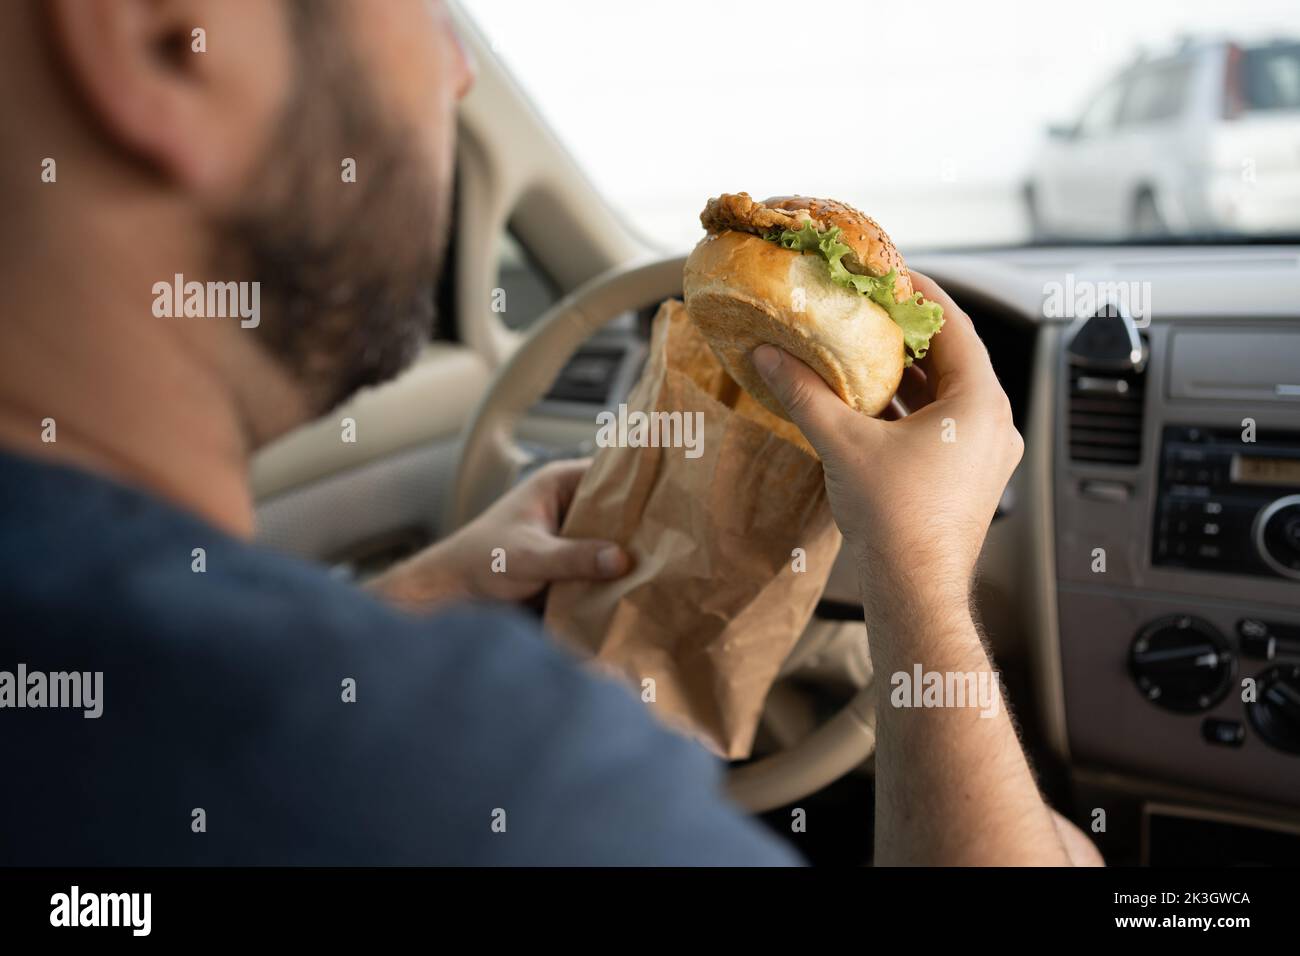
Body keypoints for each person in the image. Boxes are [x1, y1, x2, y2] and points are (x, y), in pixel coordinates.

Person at [0, 0, 1098, 865]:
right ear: (158, 35)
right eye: (428, 9)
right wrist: (920, 577)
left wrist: (409, 594)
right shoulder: (518, 790)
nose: (461, 71)